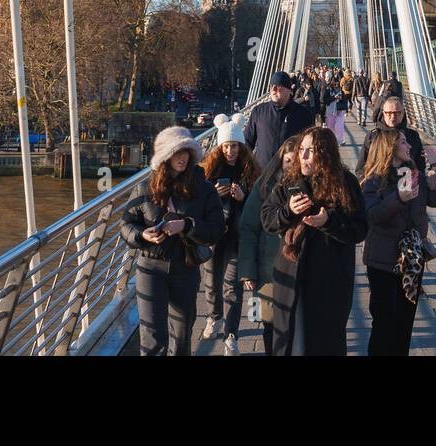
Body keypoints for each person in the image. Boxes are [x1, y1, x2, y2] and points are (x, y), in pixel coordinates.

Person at [261, 126, 368, 355]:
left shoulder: (345, 182)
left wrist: (328, 222)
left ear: (326, 153)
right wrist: (287, 211)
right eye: (302, 150)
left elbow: (359, 230)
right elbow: (267, 220)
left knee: (325, 341)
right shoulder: (289, 181)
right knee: (291, 339)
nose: (304, 156)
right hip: (291, 274)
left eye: (311, 150)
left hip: (330, 278)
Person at [118, 126, 225, 356]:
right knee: (152, 339)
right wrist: (141, 235)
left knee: (182, 336)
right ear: (165, 156)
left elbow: (217, 229)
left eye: (186, 152)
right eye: (177, 152)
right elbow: (126, 225)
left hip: (184, 268)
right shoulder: (144, 188)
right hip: (150, 269)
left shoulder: (204, 189)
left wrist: (187, 226)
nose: (183, 157)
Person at [360, 127, 436, 355]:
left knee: (404, 323)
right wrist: (398, 199)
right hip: (383, 260)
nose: (409, 146)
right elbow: (372, 216)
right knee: (383, 321)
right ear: (390, 148)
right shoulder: (373, 181)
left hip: (412, 260)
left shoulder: (414, 174)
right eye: (403, 142)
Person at [200, 113, 260, 355]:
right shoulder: (209, 170)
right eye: (226, 146)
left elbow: (258, 207)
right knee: (212, 280)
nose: (230, 151)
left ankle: (231, 334)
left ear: (241, 146)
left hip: (238, 235)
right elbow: (198, 203)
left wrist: (242, 198)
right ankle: (214, 317)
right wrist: (214, 194)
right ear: (219, 146)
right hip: (215, 234)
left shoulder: (251, 171)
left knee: (232, 287)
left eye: (234, 146)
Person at [239, 135, 300, 355]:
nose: (293, 167)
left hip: (297, 272)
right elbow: (248, 228)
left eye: (297, 162)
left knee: (295, 329)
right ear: (280, 161)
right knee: (270, 327)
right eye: (288, 161)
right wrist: (247, 271)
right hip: (267, 272)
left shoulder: (311, 187)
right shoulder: (264, 185)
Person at [245, 71, 314, 169]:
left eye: (278, 86)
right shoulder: (259, 111)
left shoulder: (303, 114)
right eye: (271, 86)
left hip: (291, 174)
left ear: (289, 90)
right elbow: (247, 142)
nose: (273, 90)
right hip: (262, 175)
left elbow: (311, 145)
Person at [356, 96, 427, 176]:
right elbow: (360, 169)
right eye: (389, 113)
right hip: (380, 184)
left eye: (397, 113)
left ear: (403, 113)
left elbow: (420, 166)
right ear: (383, 113)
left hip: (407, 184)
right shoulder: (373, 136)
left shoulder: (412, 136)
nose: (393, 117)